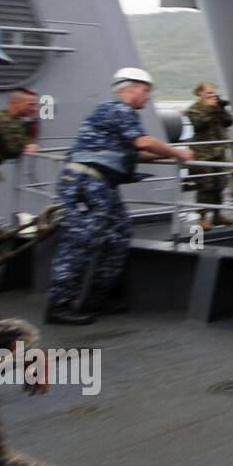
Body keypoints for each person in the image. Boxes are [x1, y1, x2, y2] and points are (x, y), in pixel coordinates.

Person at [46, 68, 194, 325]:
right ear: (131, 88)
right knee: (79, 241)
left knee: (118, 234)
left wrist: (170, 154)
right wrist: (178, 153)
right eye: (146, 91)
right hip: (86, 182)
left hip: (102, 186)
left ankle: (96, 297)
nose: (147, 97)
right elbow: (143, 143)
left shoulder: (119, 115)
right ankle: (58, 304)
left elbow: (136, 153)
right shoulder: (118, 109)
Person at [185, 82, 233, 228]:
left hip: (219, 151)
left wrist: (222, 109)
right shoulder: (194, 109)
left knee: (220, 184)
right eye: (208, 92)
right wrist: (211, 109)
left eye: (213, 92)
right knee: (205, 185)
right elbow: (200, 124)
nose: (212, 95)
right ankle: (202, 217)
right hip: (203, 153)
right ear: (200, 93)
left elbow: (229, 122)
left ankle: (217, 215)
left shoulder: (216, 107)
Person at [0, 87, 39, 163]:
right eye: (30, 104)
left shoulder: (15, 121)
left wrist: (30, 143)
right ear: (16, 104)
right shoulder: (3, 120)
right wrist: (28, 146)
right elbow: (13, 150)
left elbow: (23, 138)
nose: (34, 109)